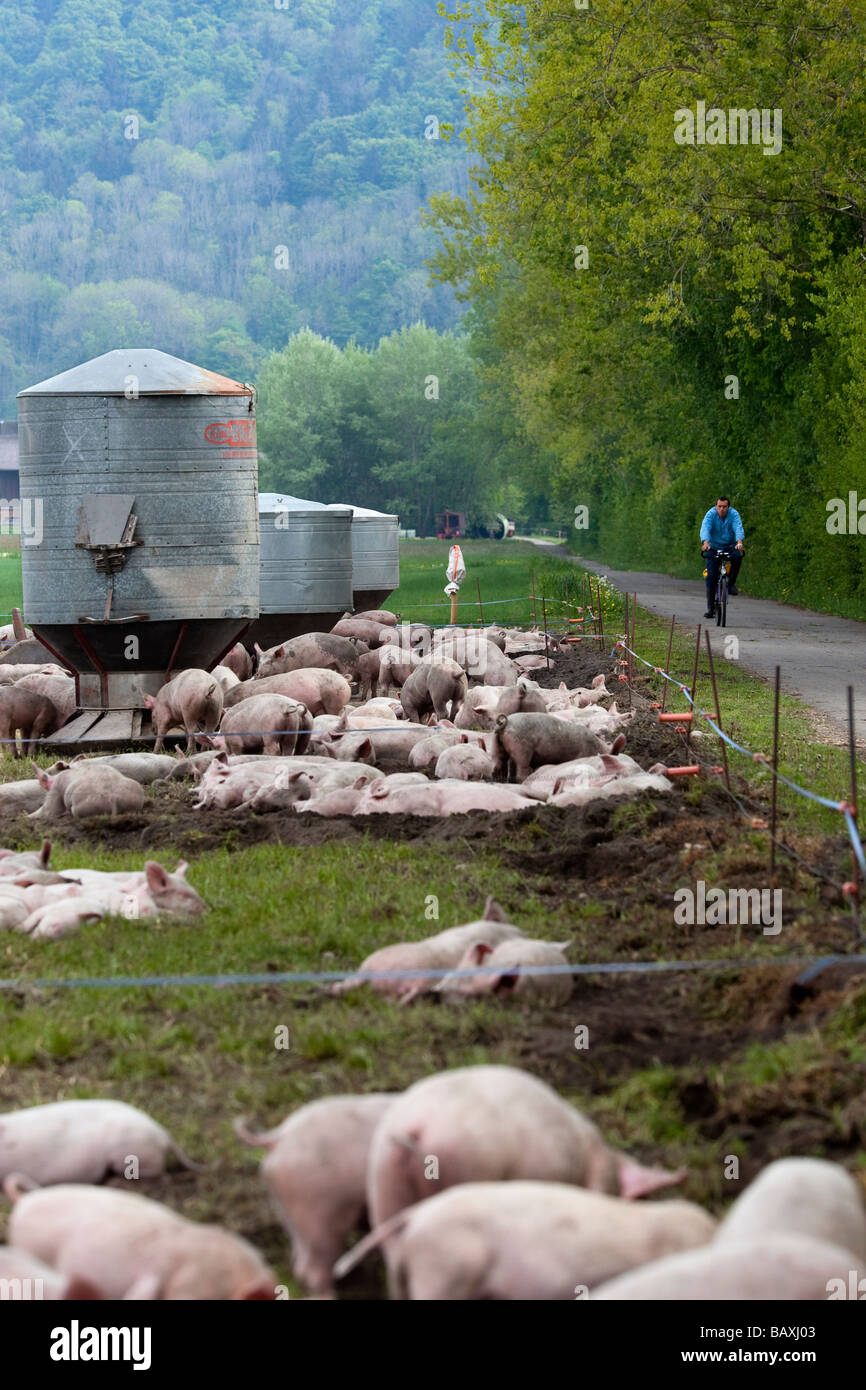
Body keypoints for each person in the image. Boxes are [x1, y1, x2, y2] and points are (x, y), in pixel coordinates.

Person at [700, 496, 744, 618]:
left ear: (728, 507)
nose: (722, 509)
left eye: (724, 507)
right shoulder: (710, 514)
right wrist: (705, 543)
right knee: (711, 576)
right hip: (712, 547)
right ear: (716, 506)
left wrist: (739, 542)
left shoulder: (734, 514)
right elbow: (705, 528)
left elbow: (738, 527)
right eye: (719, 506)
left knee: (737, 557)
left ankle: (731, 584)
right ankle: (710, 608)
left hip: (730, 545)